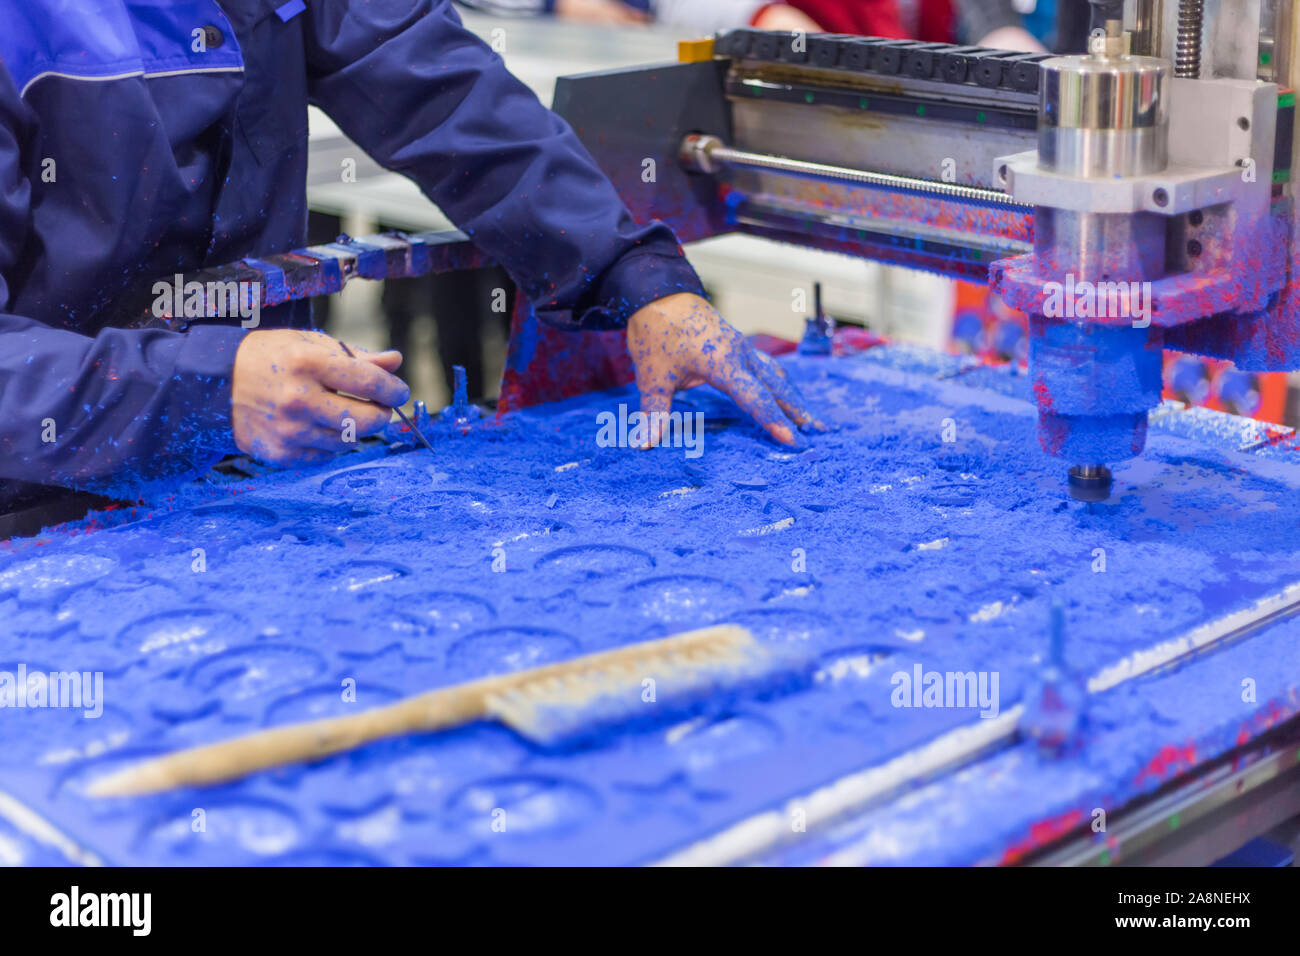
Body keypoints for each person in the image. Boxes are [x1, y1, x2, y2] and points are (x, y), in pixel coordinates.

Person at [0, 0, 814, 513]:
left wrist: (637, 277)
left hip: (254, 490)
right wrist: (199, 389)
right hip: (34, 504)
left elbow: (447, 95)